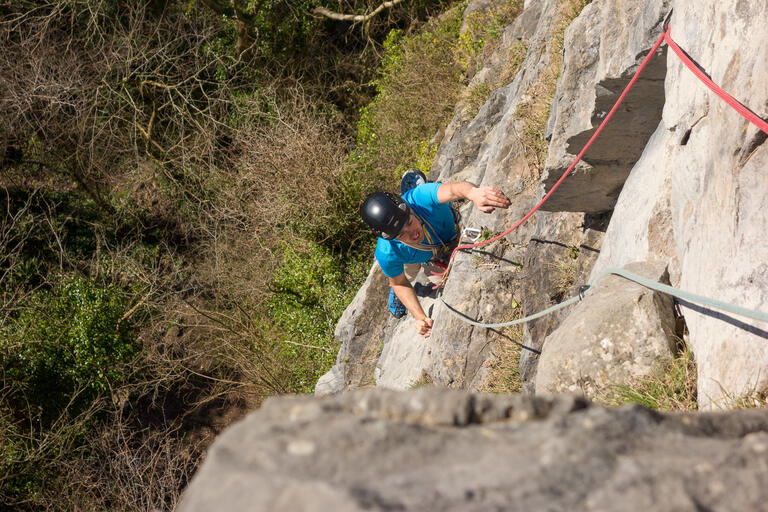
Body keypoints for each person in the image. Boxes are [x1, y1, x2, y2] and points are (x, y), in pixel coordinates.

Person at [360, 171, 511, 338]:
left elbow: (454, 189)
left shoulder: (419, 199)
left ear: (408, 208)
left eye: (410, 222)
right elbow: (399, 283)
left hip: (438, 241)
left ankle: (411, 189)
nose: (413, 233)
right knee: (406, 274)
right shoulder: (387, 252)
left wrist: (473, 193)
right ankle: (398, 296)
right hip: (419, 256)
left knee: (445, 279)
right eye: (402, 234)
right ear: (390, 237)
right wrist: (420, 317)